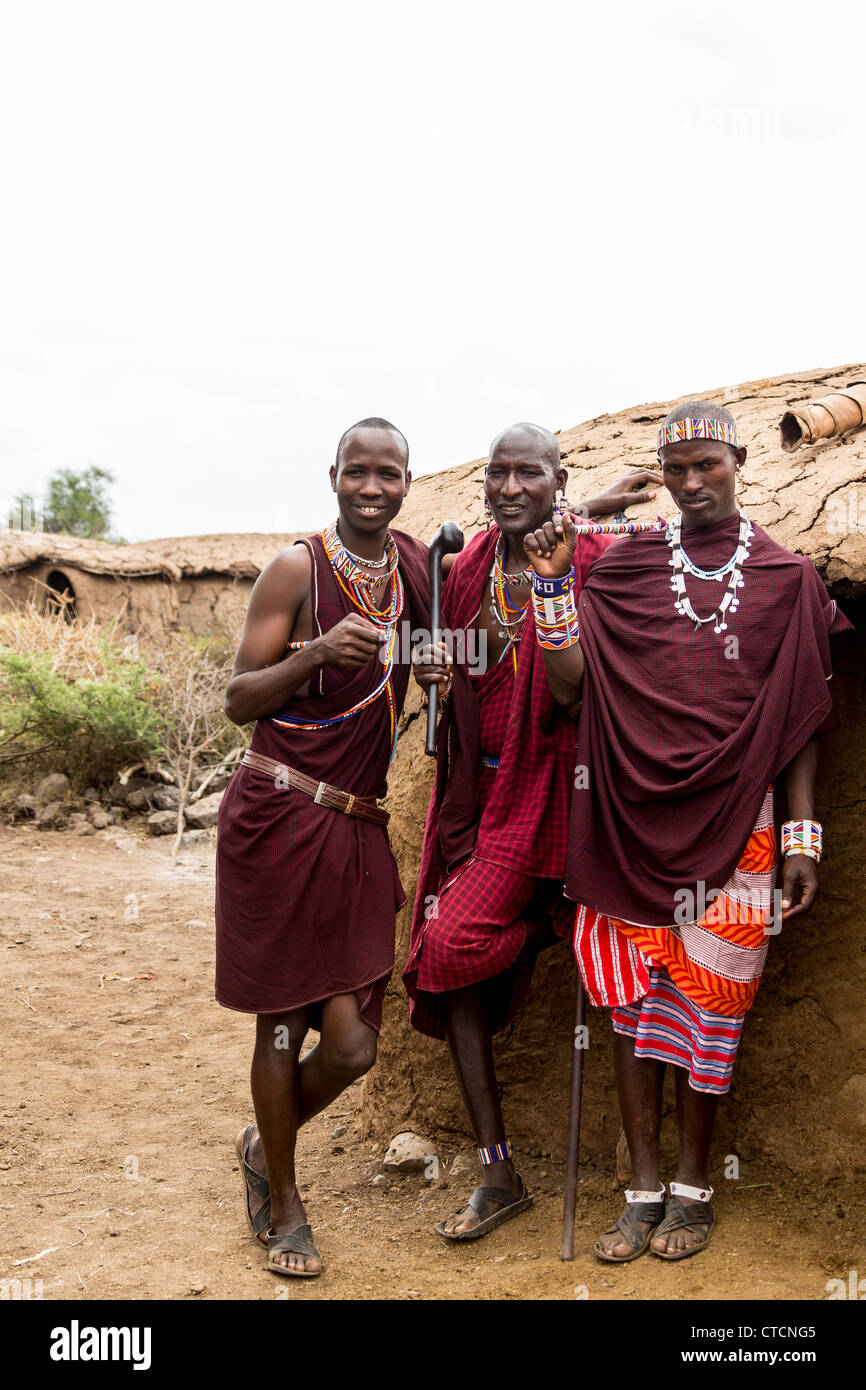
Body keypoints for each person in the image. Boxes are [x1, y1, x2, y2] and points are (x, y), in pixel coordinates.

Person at [524, 400, 853, 1262]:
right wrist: (556, 583)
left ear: (741, 461)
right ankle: (639, 1191)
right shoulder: (626, 570)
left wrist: (802, 838)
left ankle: (694, 1188)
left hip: (739, 833)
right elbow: (567, 688)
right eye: (677, 469)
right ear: (660, 477)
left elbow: (801, 724)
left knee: (711, 1013)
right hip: (627, 822)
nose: (692, 482)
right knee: (632, 1010)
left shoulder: (788, 579)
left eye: (709, 464)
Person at [406, 421, 660, 1240]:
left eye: (530, 474)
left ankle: (649, 1179)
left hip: (565, 795)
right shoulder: (470, 564)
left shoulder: (591, 561)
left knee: (451, 944)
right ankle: (496, 1169)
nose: (510, 487)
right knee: (446, 953)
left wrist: (587, 520)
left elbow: (579, 691)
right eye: (498, 473)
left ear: (558, 478)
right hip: (481, 800)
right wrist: (437, 662)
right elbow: (443, 654)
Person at [216, 417, 429, 1277]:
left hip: (359, 823)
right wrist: (311, 658)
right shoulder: (297, 568)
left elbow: (494, 558)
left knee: (350, 1047)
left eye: (389, 474)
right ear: (332, 476)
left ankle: (264, 1145)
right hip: (280, 815)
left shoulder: (416, 569)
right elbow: (238, 697)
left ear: (407, 481)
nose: (372, 488)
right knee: (282, 1023)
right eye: (357, 473)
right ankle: (289, 1206)